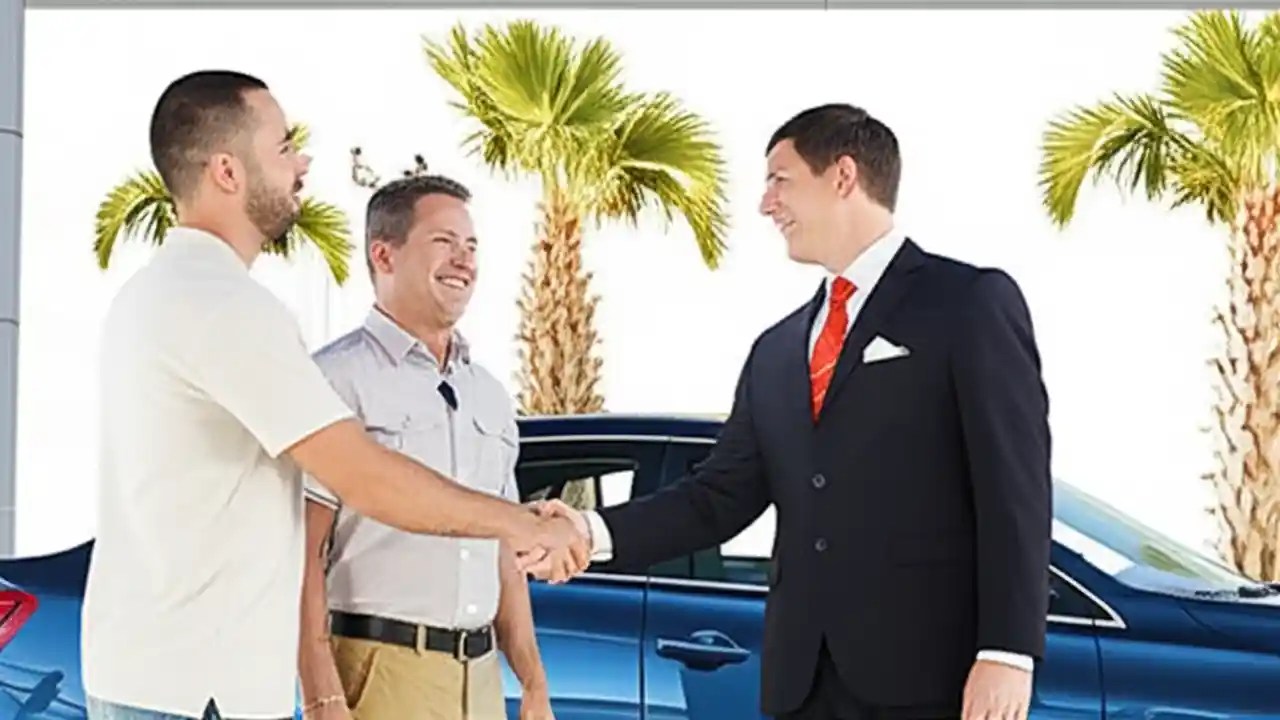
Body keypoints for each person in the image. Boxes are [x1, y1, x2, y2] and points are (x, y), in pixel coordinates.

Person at [80, 70, 585, 720]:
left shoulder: (154, 293)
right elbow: (366, 479)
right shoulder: (227, 307)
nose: (304, 163)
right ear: (228, 172)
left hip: (159, 675)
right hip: (202, 686)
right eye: (285, 147)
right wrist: (518, 522)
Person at [534, 103, 1052, 720]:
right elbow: (717, 496)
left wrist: (1009, 651)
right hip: (800, 684)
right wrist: (590, 533)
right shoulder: (777, 350)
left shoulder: (968, 302)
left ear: (842, 176)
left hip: (931, 680)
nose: (765, 204)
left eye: (780, 180)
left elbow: (1014, 488)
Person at [296, 175, 554, 720]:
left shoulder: (488, 394)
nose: (464, 260)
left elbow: (504, 550)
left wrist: (532, 681)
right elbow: (305, 555)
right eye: (444, 242)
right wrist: (322, 696)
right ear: (383, 255)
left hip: (480, 678)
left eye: (471, 246)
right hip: (379, 673)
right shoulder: (333, 379)